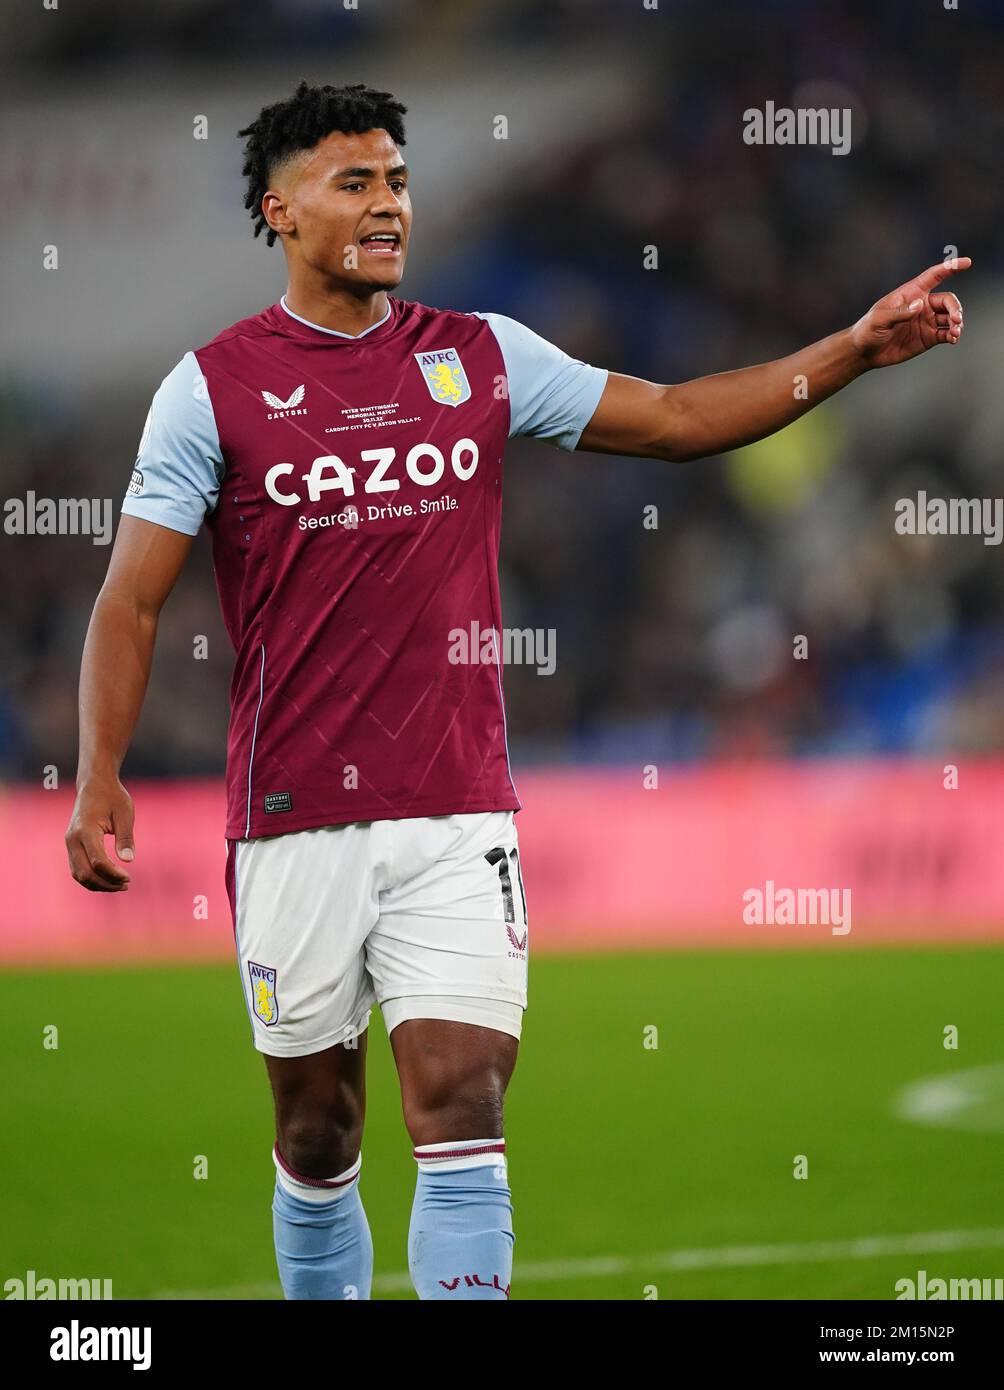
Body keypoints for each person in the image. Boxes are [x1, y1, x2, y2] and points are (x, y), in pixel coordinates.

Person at [65, 80, 968, 1300]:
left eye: (396, 178)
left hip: (455, 808)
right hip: (292, 817)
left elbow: (680, 416)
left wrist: (852, 351)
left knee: (460, 1100)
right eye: (354, 182)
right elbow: (128, 601)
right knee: (318, 1134)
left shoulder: (480, 355)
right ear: (280, 210)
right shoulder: (210, 389)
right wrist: (100, 775)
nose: (387, 204)